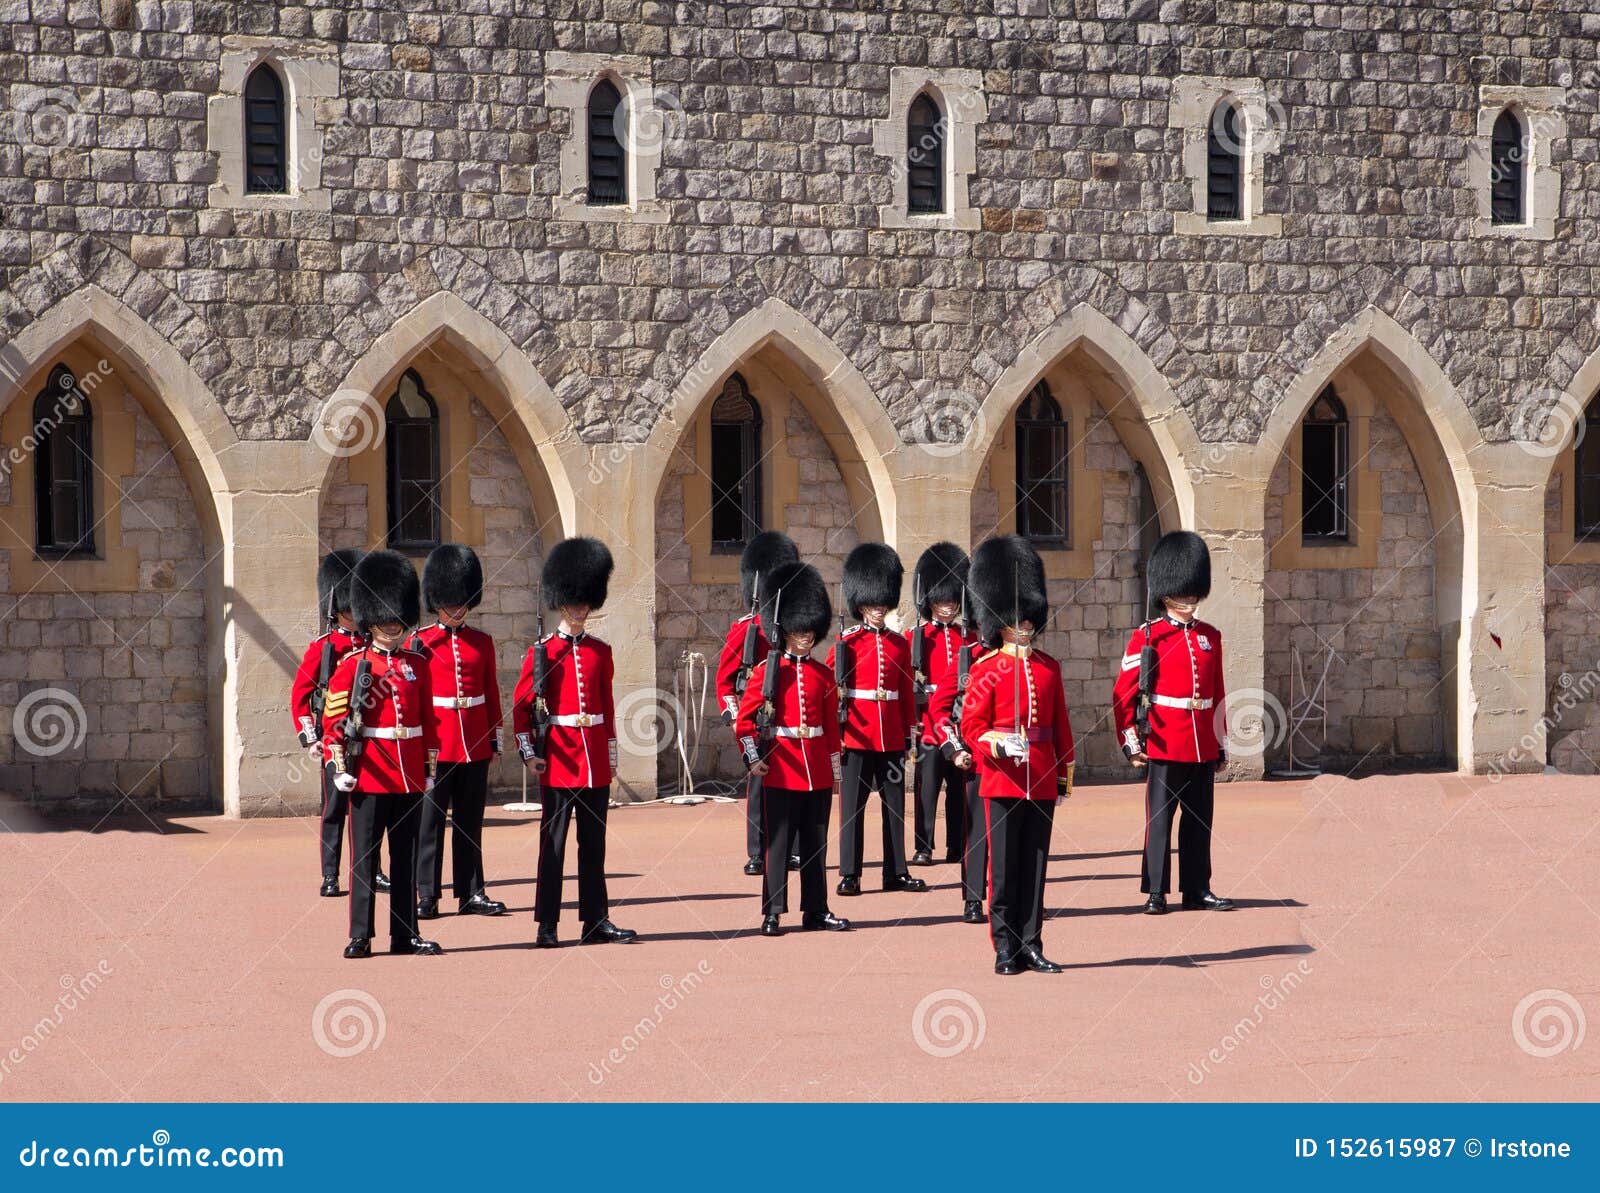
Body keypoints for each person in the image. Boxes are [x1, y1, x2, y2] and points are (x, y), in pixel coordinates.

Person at [513, 537, 637, 948]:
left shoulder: (601, 652)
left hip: (594, 759)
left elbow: (606, 707)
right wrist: (530, 754)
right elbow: (521, 708)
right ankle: (547, 925)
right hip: (559, 759)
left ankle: (595, 921)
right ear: (561, 601)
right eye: (574, 601)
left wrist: (612, 754)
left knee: (594, 846)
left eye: (585, 601)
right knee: (553, 847)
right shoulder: (542, 653)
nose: (580, 608)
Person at [960, 535, 1074, 976]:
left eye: (1028, 620)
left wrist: (1063, 777)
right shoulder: (986, 669)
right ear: (1000, 623)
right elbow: (971, 727)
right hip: (1002, 778)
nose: (1024, 626)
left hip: (1042, 777)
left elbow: (1061, 726)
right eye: (1015, 621)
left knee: (1036, 868)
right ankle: (1004, 947)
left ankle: (1032, 943)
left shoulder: (1049, 667)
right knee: (1004, 871)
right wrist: (996, 742)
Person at [322, 550, 442, 959]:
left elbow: (428, 721)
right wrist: (339, 767)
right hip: (370, 773)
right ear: (372, 619)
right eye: (386, 618)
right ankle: (360, 934)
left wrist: (429, 768)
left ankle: (405, 934)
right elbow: (334, 722)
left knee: (405, 858)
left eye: (397, 618)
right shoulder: (355, 666)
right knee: (365, 861)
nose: (392, 625)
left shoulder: (416, 664)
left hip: (408, 773)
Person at [1111, 530, 1234, 916]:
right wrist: (1132, 741)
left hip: (1200, 739)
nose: (1189, 601)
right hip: (1165, 738)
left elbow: (1217, 693)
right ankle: (1156, 890)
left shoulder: (1209, 637)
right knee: (1160, 819)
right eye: (1183, 594)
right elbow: (1124, 692)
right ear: (1166, 594)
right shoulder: (1149, 637)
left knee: (1199, 821)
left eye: (1193, 594)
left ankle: (1198, 888)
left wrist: (1219, 741)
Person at [736, 560, 851, 937]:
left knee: (816, 847)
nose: (805, 636)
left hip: (815, 767)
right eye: (798, 629)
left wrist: (835, 773)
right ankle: (773, 911)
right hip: (781, 768)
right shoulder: (766, 673)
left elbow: (832, 729)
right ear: (784, 628)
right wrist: (754, 759)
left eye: (810, 630)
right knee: (778, 846)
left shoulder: (821, 674)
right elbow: (745, 722)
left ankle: (816, 910)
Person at [411, 544, 507, 921]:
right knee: (429, 823)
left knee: (470, 823)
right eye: (451, 601)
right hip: (437, 744)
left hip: (476, 741)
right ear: (437, 601)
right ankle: (427, 894)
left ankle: (471, 892)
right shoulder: (419, 644)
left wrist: (495, 739)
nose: (458, 608)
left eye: (463, 600)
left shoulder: (481, 643)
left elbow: (491, 692)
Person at [290, 548, 390, 898]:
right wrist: (309, 737)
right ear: (336, 608)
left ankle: (373, 870)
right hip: (335, 738)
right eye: (346, 608)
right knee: (334, 809)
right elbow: (300, 695)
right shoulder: (324, 647)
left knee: (373, 811)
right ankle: (330, 875)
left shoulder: (373, 644)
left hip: (370, 737)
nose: (351, 614)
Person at [829, 542, 927, 897]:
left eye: (881, 603)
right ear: (860, 604)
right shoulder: (847, 644)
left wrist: (907, 738)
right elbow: (830, 692)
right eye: (871, 604)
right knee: (851, 811)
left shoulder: (899, 645)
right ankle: (850, 873)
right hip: (856, 736)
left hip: (891, 739)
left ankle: (896, 871)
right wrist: (838, 733)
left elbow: (904, 696)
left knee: (895, 808)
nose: (877, 610)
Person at [715, 530, 802, 876]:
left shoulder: (793, 627)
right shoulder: (746, 628)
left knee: (794, 784)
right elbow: (725, 680)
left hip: (790, 718)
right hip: (757, 718)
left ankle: (793, 850)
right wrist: (738, 718)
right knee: (758, 787)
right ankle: (757, 851)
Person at [907, 542, 971, 867]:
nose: (947, 606)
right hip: (928, 726)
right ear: (929, 601)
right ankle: (924, 845)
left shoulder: (968, 638)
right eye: (940, 600)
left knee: (959, 790)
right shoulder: (915, 638)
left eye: (951, 599)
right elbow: (907, 687)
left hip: (960, 723)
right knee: (926, 789)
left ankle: (957, 845)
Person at [932, 582, 988, 925]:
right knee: (977, 834)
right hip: (978, 761)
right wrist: (955, 749)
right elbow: (940, 711)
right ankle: (972, 898)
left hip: (1019, 765)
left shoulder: (1034, 663)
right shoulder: (968, 659)